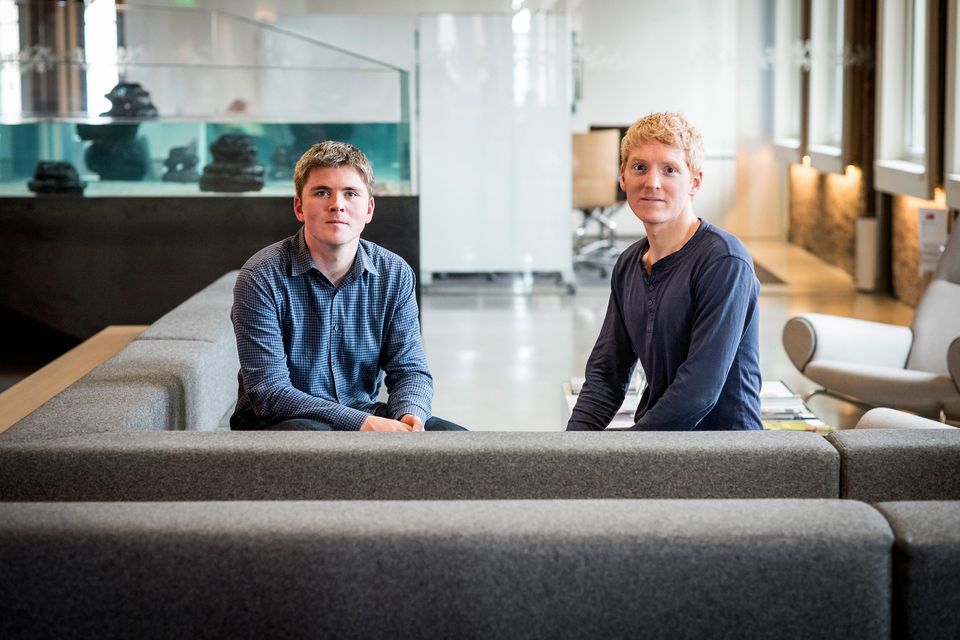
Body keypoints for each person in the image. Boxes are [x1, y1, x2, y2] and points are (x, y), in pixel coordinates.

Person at [230, 141, 464, 432]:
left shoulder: (394, 274)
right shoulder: (261, 276)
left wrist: (410, 415)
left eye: (350, 193)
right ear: (299, 207)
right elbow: (270, 392)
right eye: (321, 192)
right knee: (312, 438)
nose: (337, 204)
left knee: (455, 441)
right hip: (280, 421)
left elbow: (410, 370)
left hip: (362, 410)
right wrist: (362, 424)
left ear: (368, 209)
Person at [567, 112, 762, 431]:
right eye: (639, 167)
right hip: (660, 445)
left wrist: (622, 453)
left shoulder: (724, 261)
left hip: (727, 457)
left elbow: (698, 393)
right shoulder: (629, 264)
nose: (651, 183)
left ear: (694, 182)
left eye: (669, 170)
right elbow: (605, 378)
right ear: (623, 178)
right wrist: (569, 452)